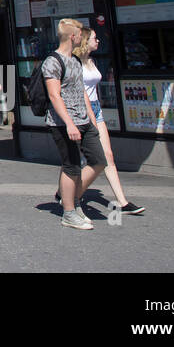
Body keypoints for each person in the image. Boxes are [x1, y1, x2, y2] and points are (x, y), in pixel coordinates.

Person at [43, 18, 107, 231]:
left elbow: (82, 92)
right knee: (71, 166)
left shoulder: (76, 60)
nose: (82, 38)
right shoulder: (52, 61)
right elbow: (54, 95)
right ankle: (70, 211)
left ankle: (71, 198)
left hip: (83, 119)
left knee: (99, 160)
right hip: (63, 122)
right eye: (80, 34)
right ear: (73, 36)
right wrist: (69, 123)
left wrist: (91, 118)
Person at [74, 27, 145, 215]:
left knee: (108, 156)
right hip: (83, 112)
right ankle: (68, 193)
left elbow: (93, 89)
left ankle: (123, 202)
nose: (98, 41)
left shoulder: (91, 60)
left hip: (96, 109)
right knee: (93, 159)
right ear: (85, 41)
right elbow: (79, 92)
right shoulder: (74, 63)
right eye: (95, 38)